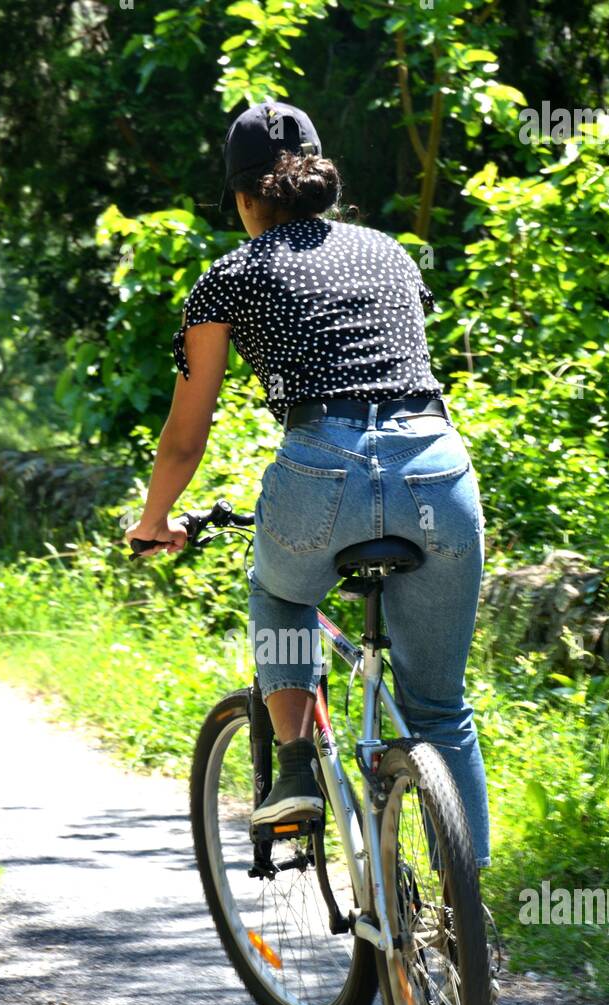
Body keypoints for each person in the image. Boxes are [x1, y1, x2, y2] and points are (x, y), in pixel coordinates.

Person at [126, 100, 490, 866]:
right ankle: (470, 919)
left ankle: (293, 766)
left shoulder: (229, 277)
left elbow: (186, 435)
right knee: (440, 710)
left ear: (242, 196)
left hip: (322, 470)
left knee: (283, 591)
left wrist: (155, 518)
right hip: (437, 466)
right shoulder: (388, 253)